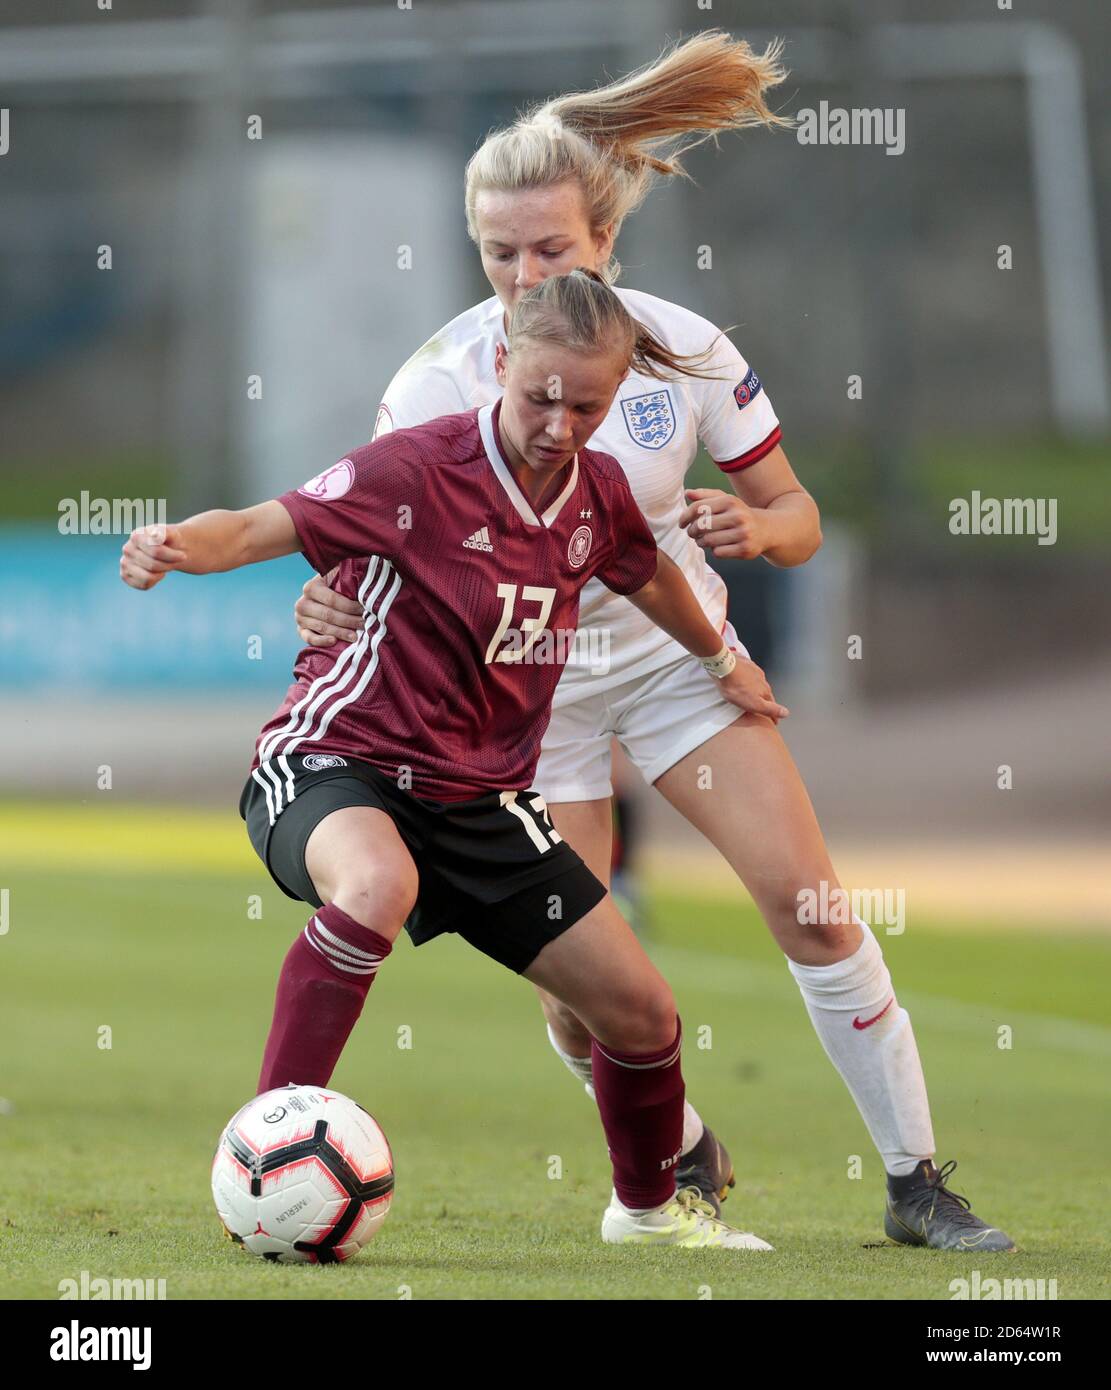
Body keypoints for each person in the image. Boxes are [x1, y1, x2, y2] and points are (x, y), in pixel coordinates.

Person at [294, 30, 1015, 1250]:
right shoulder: (433, 384)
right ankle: (676, 1154)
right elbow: (365, 550)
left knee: (812, 903)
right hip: (521, 711)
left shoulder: (681, 350)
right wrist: (330, 601)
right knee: (585, 1011)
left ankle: (916, 1184)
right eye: (498, 251)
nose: (524, 275)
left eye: (551, 249)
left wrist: (759, 526)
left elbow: (798, 515)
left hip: (682, 674)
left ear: (606, 242)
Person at [120, 270, 784, 1250]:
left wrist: (722, 658)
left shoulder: (595, 493)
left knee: (639, 1009)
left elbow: (648, 577)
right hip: (336, 761)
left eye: (589, 405)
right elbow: (263, 526)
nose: (560, 423)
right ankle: (261, 1160)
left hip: (483, 802)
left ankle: (646, 1213)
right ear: (502, 365)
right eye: (540, 396)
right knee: (377, 881)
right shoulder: (413, 470)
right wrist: (175, 544)